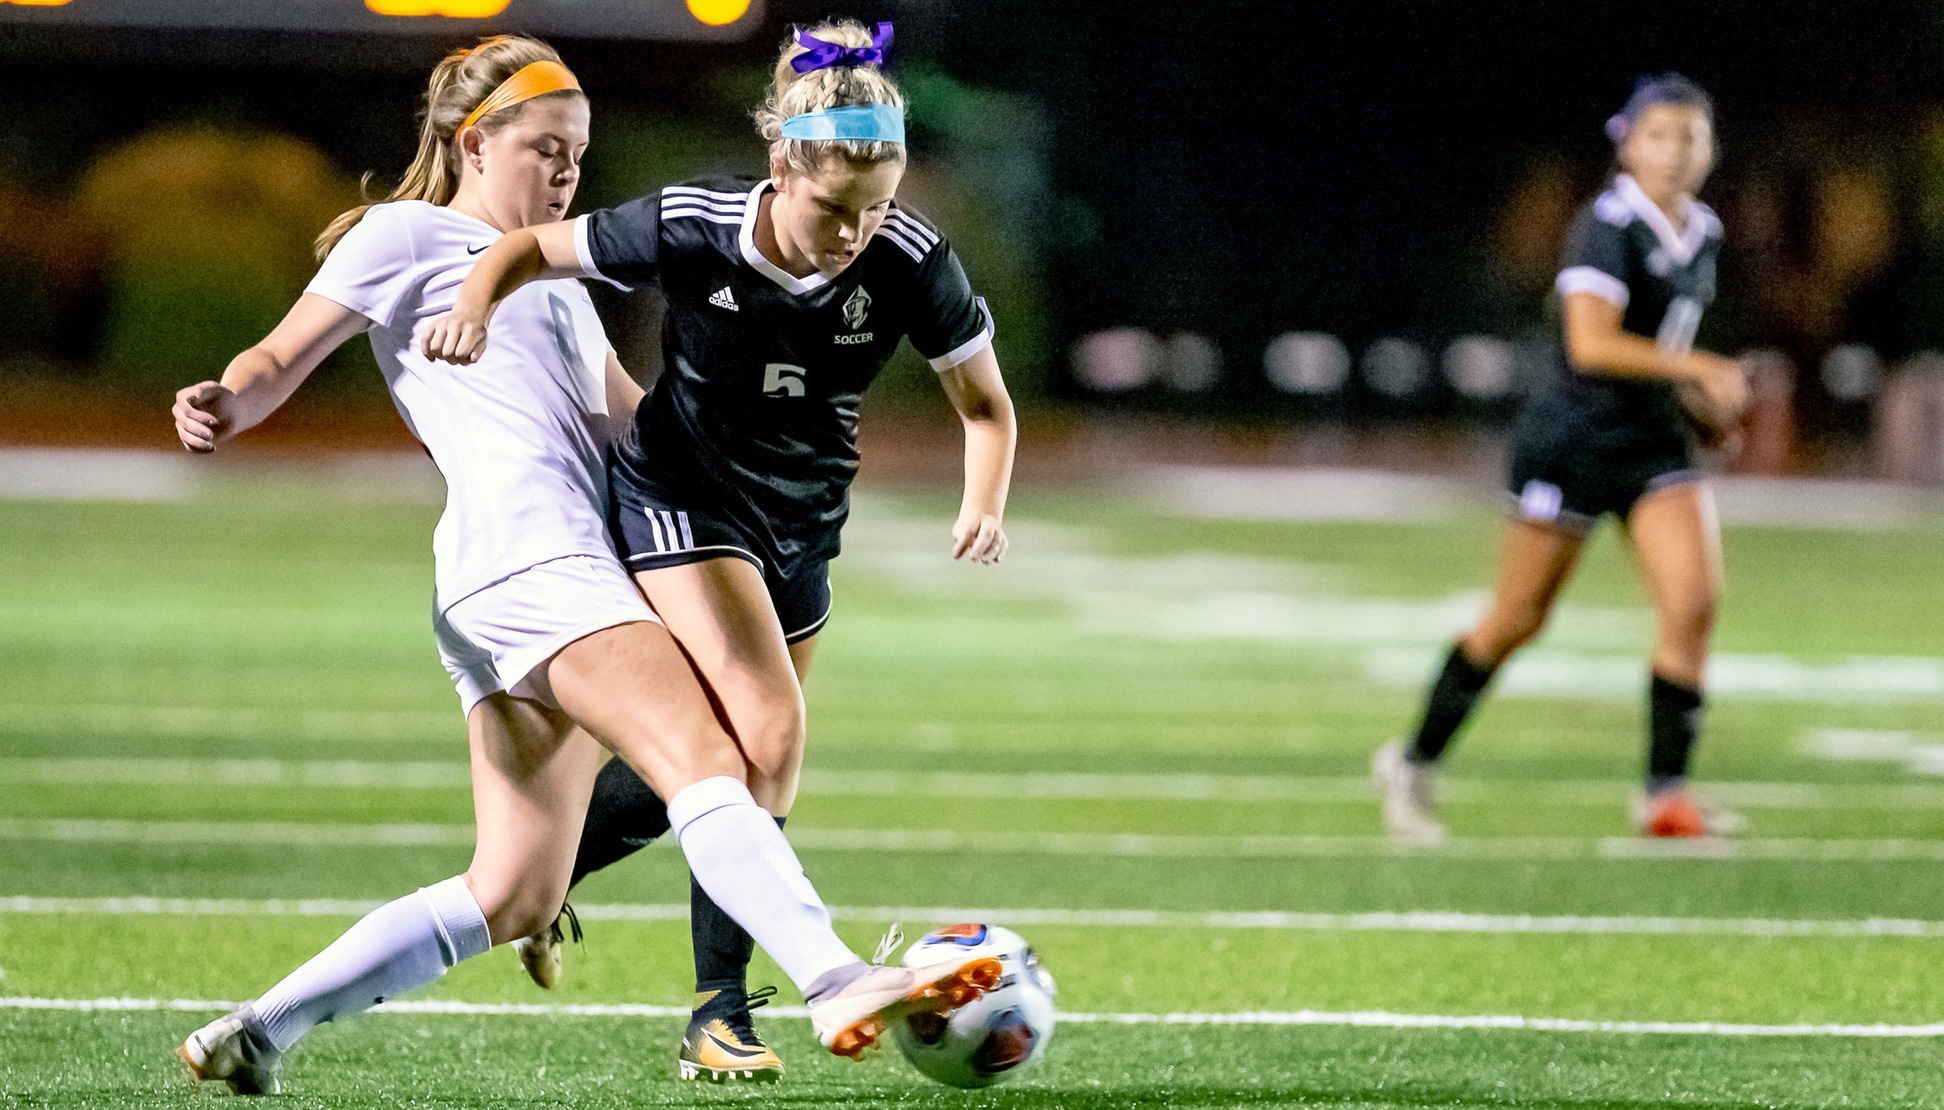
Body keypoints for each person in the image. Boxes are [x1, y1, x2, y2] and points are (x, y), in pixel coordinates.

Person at [167, 35, 1000, 1096]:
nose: (566, 171)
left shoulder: (558, 276)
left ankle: (259, 1029)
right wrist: (226, 400)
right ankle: (831, 978)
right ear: (474, 140)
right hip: (531, 557)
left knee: (514, 889)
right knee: (713, 754)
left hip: (522, 578)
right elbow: (281, 354)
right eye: (546, 148)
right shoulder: (406, 234)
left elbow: (624, 421)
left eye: (579, 152)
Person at [422, 18, 1016, 1083]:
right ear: (784, 164)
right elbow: (526, 249)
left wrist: (983, 503)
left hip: (802, 521)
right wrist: (472, 307)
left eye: (877, 207)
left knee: (747, 765)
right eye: (836, 208)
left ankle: (555, 874)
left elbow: (985, 407)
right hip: (681, 499)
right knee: (769, 728)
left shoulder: (909, 257)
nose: (854, 232)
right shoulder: (693, 223)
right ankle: (721, 1012)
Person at [1373, 74, 1748, 845]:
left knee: (1693, 603)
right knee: (1516, 618)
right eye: (1659, 136)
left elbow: (1663, 350)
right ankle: (1412, 760)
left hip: (1650, 440)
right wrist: (1699, 371)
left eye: (1691, 137)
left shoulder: (1704, 230)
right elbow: (1592, 343)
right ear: (1628, 144)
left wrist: (1700, 411)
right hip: (1572, 439)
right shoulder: (1606, 224)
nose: (1675, 153)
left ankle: (1664, 795)